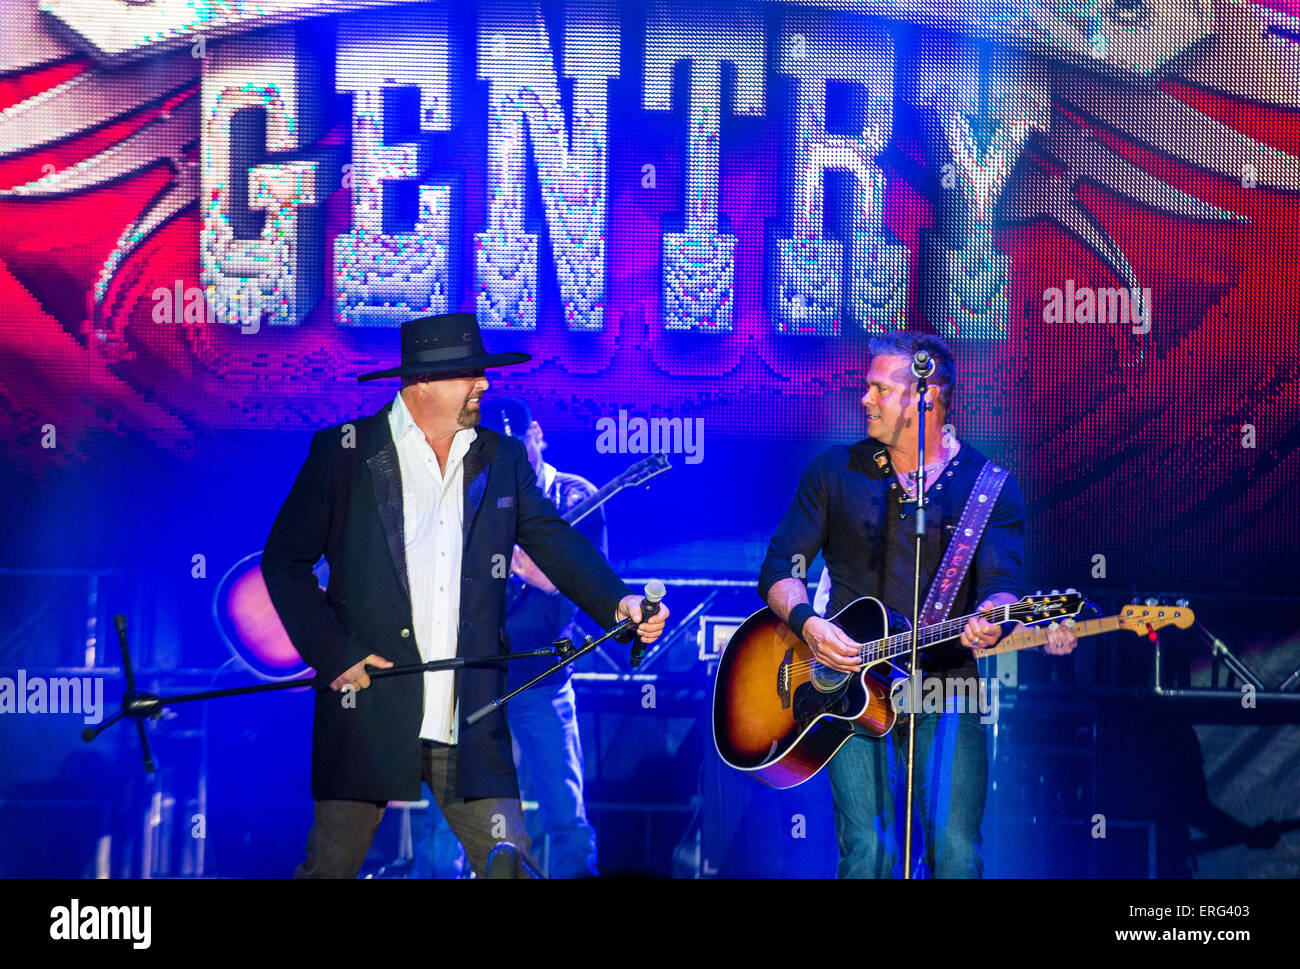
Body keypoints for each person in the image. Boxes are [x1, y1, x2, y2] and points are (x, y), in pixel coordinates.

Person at [261, 312, 668, 878]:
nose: (484, 385)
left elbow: (555, 543)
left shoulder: (500, 460)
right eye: (470, 375)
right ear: (421, 384)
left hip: (471, 710)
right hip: (371, 703)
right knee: (332, 864)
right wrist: (333, 651)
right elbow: (284, 563)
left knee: (510, 865)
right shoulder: (344, 454)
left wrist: (617, 603)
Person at [757, 332, 1075, 878]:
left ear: (925, 399)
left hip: (945, 685)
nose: (865, 400)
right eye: (867, 388)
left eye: (879, 389)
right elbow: (780, 566)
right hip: (848, 690)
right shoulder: (835, 471)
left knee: (955, 855)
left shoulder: (988, 485)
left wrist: (992, 618)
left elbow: (1001, 582)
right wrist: (809, 625)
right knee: (869, 854)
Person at [417, 398, 604, 878]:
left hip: (540, 682)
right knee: (446, 817)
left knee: (566, 812)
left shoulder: (576, 499)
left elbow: (594, 595)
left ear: (537, 435)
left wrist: (550, 578)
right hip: (472, 680)